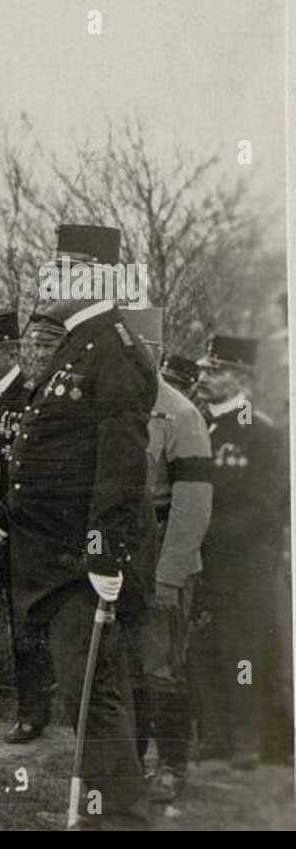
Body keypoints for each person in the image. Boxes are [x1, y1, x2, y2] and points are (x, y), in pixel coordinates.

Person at [0, 224, 156, 828]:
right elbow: (46, 445)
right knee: (81, 690)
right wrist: (7, 519)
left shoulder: (115, 349)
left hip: (79, 558)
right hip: (48, 553)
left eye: (63, 267)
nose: (48, 277)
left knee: (96, 691)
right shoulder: (73, 341)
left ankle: (128, 822)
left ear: (97, 276)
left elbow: (120, 465)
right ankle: (103, 809)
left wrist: (105, 553)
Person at [118, 307, 212, 803]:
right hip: (120, 554)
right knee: (124, 666)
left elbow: (193, 507)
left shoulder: (181, 414)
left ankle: (172, 765)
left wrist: (170, 575)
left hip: (162, 552)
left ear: (153, 353)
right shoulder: (111, 406)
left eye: (135, 350)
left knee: (160, 667)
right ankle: (128, 764)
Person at [191, 334, 291, 769]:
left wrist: (205, 533)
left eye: (216, 371)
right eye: (204, 369)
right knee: (203, 647)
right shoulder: (196, 425)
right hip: (202, 562)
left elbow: (266, 507)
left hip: (246, 563)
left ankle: (248, 737)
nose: (204, 377)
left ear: (242, 378)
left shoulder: (262, 432)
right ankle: (214, 734)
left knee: (244, 651)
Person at [0, 309, 53, 744]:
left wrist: (2, 518)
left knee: (26, 621)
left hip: (20, 526)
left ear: (11, 351)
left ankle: (32, 710)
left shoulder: (32, 395)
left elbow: (32, 469)